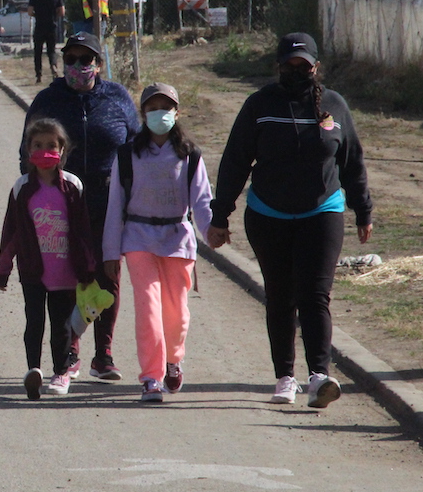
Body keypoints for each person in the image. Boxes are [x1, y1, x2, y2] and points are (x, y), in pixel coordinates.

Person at [206, 32, 373, 408]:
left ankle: (319, 376)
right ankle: (285, 377)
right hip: (269, 214)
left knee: (315, 295)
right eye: (289, 66)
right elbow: (235, 161)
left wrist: (363, 210)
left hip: (322, 211)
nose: (297, 72)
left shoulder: (334, 105)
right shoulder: (259, 105)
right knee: (281, 295)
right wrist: (221, 215)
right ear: (278, 67)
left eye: (304, 66)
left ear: (316, 67)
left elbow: (352, 162)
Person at [21, 32, 141, 380]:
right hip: (62, 204)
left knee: (108, 274)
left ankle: (103, 352)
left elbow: (134, 146)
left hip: (109, 201)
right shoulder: (48, 100)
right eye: (71, 59)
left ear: (98, 64)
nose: (77, 66)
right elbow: (25, 152)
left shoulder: (117, 98)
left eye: (85, 60)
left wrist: (134, 194)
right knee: (69, 274)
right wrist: (35, 197)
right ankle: (70, 347)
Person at [102, 83, 214, 403]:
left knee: (176, 313)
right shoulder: (128, 154)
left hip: (177, 237)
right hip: (138, 236)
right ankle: (151, 376)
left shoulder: (189, 155)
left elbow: (202, 201)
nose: (159, 114)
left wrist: (212, 232)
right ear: (143, 114)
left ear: (176, 113)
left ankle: (173, 360)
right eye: (152, 108)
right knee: (148, 308)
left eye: (166, 108)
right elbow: (115, 205)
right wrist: (111, 251)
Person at [0, 117, 97, 399]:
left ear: (62, 150)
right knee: (34, 322)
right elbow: (11, 232)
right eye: (37, 145)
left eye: (51, 145)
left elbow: (83, 231)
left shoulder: (73, 187)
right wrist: (4, 267)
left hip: (65, 272)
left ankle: (61, 372)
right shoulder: (22, 188)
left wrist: (88, 267)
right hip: (32, 271)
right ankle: (33, 371)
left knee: (62, 327)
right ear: (28, 150)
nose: (44, 150)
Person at [27, 0, 65, 83]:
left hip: (39, 26)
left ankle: (38, 75)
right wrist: (54, 16)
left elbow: (29, 12)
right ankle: (53, 66)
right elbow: (62, 12)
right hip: (52, 26)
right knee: (51, 50)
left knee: (37, 51)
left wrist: (37, 14)